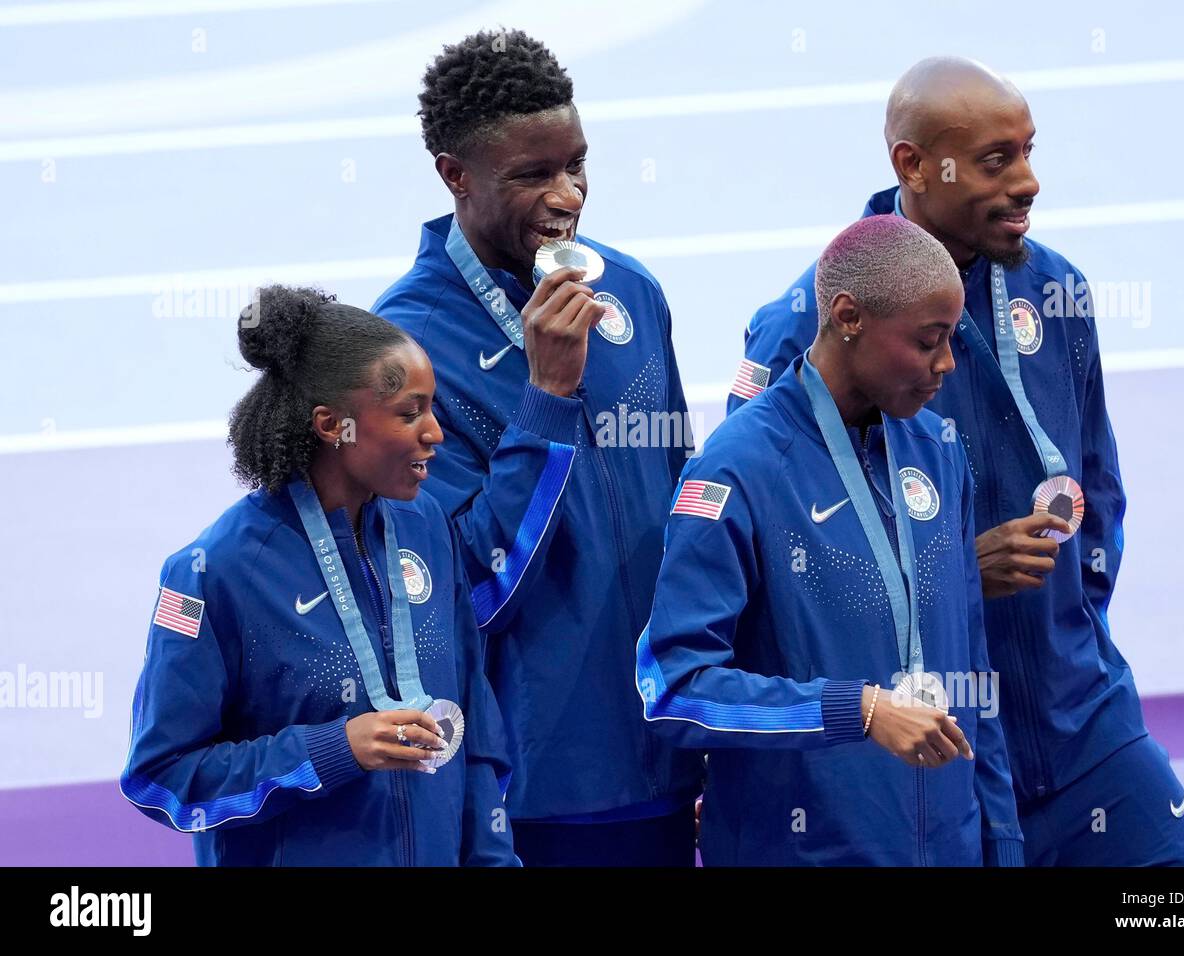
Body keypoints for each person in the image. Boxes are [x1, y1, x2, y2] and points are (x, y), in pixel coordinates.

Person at [729, 57, 1184, 866]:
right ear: (911, 165)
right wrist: (955, 570)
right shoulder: (806, 326)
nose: (1028, 182)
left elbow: (1098, 490)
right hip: (930, 756)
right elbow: (776, 568)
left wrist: (1076, 634)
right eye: (997, 162)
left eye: (1029, 152)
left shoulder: (1056, 289)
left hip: (1084, 723)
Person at [372, 30, 701, 866]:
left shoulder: (629, 291)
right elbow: (460, 591)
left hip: (670, 755)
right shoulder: (403, 348)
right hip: (534, 788)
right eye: (533, 175)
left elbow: (683, 507)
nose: (568, 196)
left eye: (577, 164)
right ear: (455, 175)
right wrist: (547, 398)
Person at [639, 216, 1024, 865]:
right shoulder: (738, 470)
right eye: (929, 341)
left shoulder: (937, 449)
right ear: (848, 316)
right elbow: (678, 690)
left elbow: (972, 669)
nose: (947, 365)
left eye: (952, 338)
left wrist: (1002, 842)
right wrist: (859, 710)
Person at [120, 285, 547, 866]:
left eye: (433, 407)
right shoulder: (216, 572)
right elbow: (164, 776)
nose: (435, 433)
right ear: (332, 425)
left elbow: (474, 731)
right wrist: (332, 749)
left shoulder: (425, 527)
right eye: (409, 412)